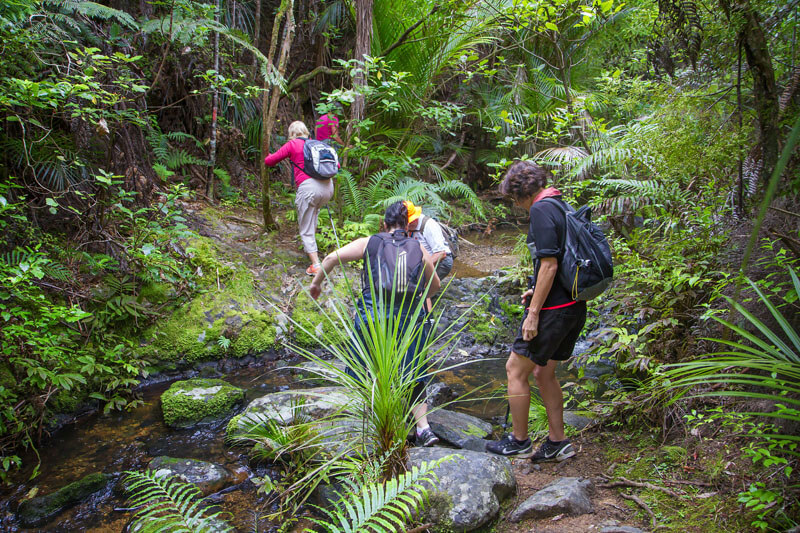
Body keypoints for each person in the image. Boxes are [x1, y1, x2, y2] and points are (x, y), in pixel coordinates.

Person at [309, 201, 441, 446]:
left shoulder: (371, 242)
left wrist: (316, 284)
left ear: (384, 224)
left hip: (372, 318)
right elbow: (435, 286)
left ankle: (369, 423)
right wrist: (422, 296)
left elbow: (330, 258)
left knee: (364, 367)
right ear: (407, 226)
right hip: (408, 320)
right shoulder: (418, 248)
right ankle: (424, 429)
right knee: (412, 371)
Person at [485, 160, 585, 462]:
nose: (516, 206)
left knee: (515, 370)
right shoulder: (560, 203)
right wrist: (536, 289)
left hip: (552, 311)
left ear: (520, 193)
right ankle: (558, 442)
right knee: (544, 372)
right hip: (573, 305)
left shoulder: (541, 209)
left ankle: (519, 441)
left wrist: (533, 313)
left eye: (514, 199)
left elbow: (550, 264)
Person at [264, 120, 334, 276]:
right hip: (328, 187)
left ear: (291, 133)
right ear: (306, 131)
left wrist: (266, 154)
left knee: (306, 228)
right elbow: (337, 167)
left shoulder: (293, 144)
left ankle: (316, 265)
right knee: (313, 216)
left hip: (309, 188)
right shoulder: (317, 144)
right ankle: (311, 251)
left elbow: (270, 161)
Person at [405, 201, 453, 282]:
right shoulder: (403, 226)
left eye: (410, 221)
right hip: (422, 260)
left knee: (422, 289)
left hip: (442, 262)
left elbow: (441, 254)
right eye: (406, 222)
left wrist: (421, 269)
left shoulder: (429, 225)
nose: (408, 225)